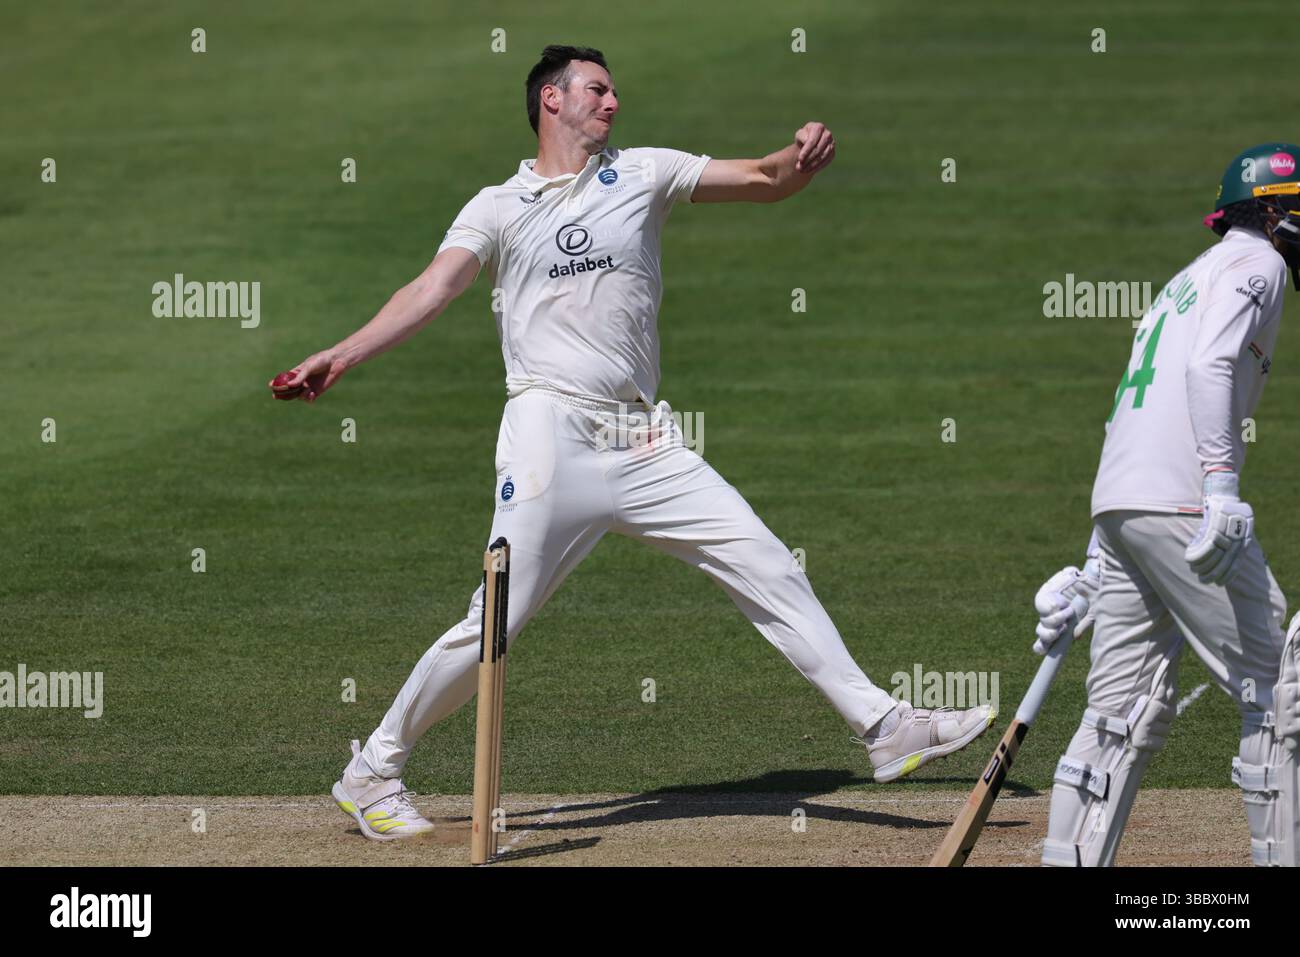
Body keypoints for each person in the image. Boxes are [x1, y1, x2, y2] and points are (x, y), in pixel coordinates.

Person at [272, 44, 993, 841]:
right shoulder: (499, 204)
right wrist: (342, 352)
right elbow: (434, 287)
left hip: (642, 436)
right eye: (597, 90)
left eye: (614, 92)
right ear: (551, 99)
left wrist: (801, 157)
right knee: (495, 622)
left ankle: (881, 725)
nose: (613, 103)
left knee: (764, 560)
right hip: (550, 432)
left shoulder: (644, 170)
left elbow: (763, 178)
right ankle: (374, 767)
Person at [1032, 143, 1300, 866]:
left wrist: (1097, 559)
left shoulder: (1184, 279)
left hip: (1124, 505)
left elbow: (1128, 407)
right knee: (1280, 697)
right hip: (1182, 506)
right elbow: (1208, 363)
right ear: (1273, 210)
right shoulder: (1260, 262)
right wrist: (1219, 487)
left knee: (1119, 714)